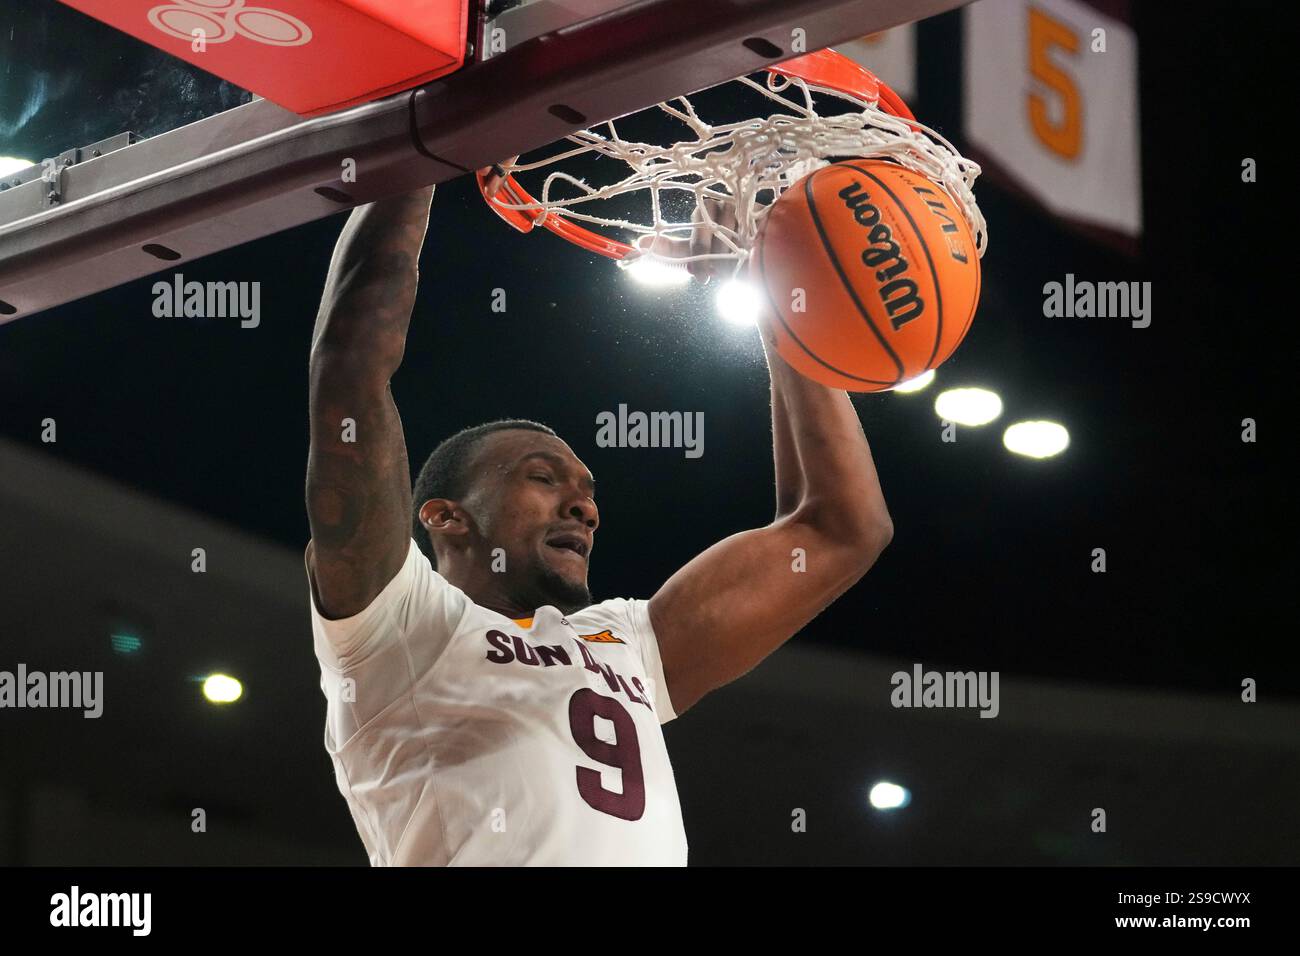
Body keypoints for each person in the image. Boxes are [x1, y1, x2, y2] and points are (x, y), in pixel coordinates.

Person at [304, 184, 893, 865]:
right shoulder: (400, 626)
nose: (584, 507)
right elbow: (350, 366)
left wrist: (777, 301)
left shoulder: (625, 643)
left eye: (588, 492)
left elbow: (841, 529)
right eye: (542, 478)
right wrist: (418, 156)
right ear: (444, 517)